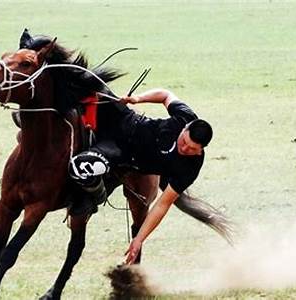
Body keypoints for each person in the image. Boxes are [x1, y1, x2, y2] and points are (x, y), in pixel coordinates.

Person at [68, 88, 213, 264]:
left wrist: (139, 239)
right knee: (85, 84)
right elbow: (165, 95)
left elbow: (162, 205)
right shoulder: (186, 117)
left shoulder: (190, 168)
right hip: (125, 120)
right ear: (185, 129)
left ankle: (93, 200)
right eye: (184, 142)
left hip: (120, 151)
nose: (184, 149)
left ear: (201, 149)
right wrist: (138, 98)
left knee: (79, 168)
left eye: (192, 149)